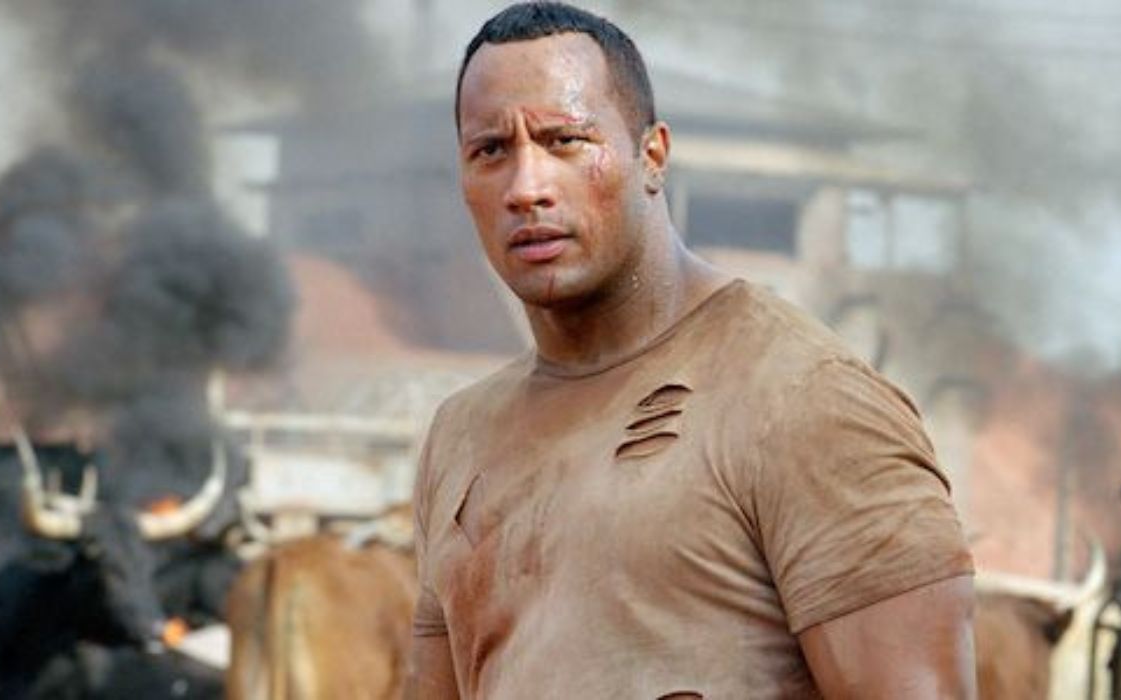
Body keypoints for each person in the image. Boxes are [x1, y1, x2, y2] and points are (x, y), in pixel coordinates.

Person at [406, 3, 976, 697]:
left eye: (566, 141)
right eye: (491, 151)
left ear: (652, 156)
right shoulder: (462, 435)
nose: (527, 188)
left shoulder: (802, 399)